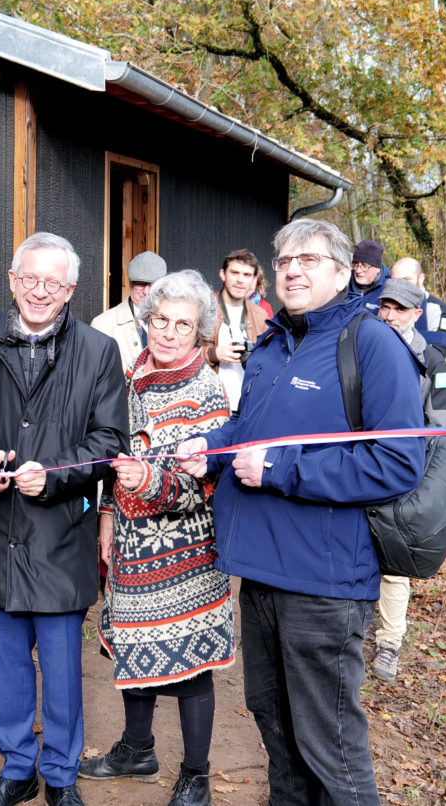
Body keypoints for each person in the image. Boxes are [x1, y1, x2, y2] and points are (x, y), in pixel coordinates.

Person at [176, 219, 426, 806]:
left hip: (325, 582)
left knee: (329, 742)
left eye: (308, 260)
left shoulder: (370, 344)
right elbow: (249, 431)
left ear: (343, 273)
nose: (291, 268)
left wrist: (283, 471)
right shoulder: (273, 342)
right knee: (275, 724)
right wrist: (209, 451)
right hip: (261, 571)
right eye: (284, 258)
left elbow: (398, 463)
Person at [0, 232, 127, 806]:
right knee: (5, 664)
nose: (39, 291)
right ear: (10, 281)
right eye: (29, 278)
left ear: (71, 290)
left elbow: (109, 439)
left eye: (53, 282)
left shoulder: (99, 351)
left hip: (59, 534)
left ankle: (60, 775)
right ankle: (16, 768)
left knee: (60, 670)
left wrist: (53, 473)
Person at [84, 270, 235, 806]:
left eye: (184, 326)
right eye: (161, 321)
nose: (168, 333)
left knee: (189, 660)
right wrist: (107, 516)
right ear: (147, 320)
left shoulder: (206, 390)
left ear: (200, 334)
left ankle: (196, 774)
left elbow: (209, 485)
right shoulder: (132, 375)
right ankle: (136, 748)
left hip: (186, 553)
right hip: (129, 542)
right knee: (135, 644)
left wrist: (150, 480)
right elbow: (113, 456)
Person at [368, 277, 446, 683]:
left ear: (417, 315)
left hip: (403, 467)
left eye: (399, 309)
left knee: (393, 558)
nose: (388, 315)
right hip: (358, 460)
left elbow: (444, 426)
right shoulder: (360, 343)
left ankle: (389, 642)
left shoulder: (436, 363)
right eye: (385, 306)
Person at [205, 250, 271, 413]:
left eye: (247, 275)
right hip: (209, 407)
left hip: (246, 408)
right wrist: (213, 354)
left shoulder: (261, 316)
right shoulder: (203, 308)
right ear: (223, 274)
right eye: (234, 273)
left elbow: (270, 365)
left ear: (255, 280)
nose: (240, 280)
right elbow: (178, 355)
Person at [90, 251, 167, 372]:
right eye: (141, 284)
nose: (146, 291)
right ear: (130, 284)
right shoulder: (102, 324)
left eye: (152, 285)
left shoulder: (173, 321)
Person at [388, 256, 446, 362]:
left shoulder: (441, 311)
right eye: (395, 281)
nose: (401, 286)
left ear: (421, 278)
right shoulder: (385, 308)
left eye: (406, 280)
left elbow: (437, 356)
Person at [347, 238, 390, 315]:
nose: (358, 270)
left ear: (377, 268)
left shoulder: (388, 289)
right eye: (356, 264)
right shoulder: (343, 284)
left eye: (364, 266)